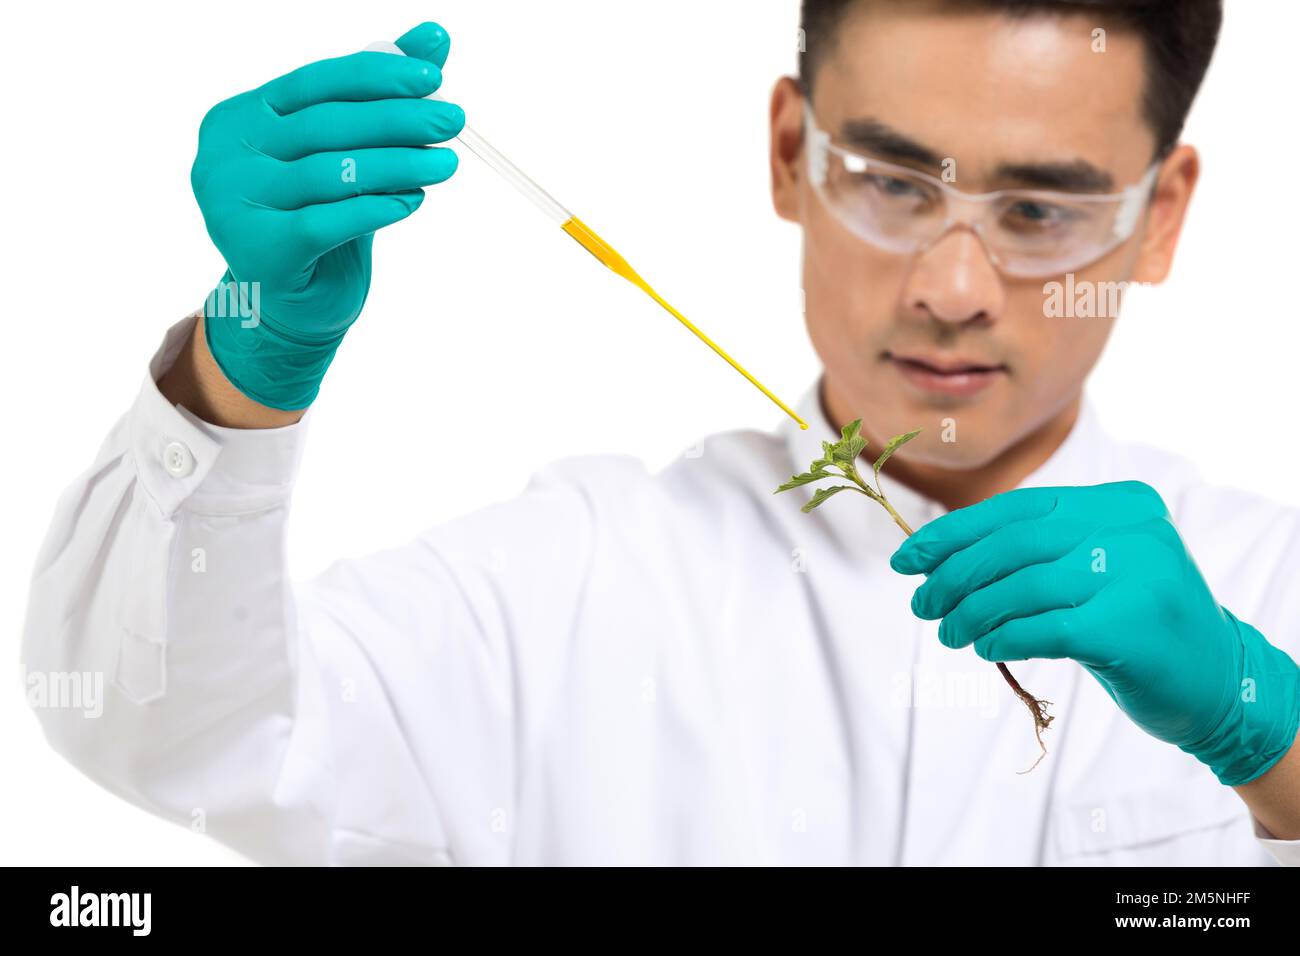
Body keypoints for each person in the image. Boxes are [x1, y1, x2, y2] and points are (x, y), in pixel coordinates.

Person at [21, 1, 1300, 865]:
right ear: (790, 153)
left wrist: (1268, 733)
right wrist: (245, 359)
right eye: (894, 184)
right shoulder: (572, 580)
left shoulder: (1264, 591)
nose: (952, 287)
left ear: (1161, 213)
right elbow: (170, 729)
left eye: (1040, 210)